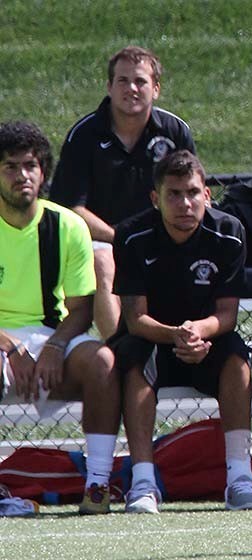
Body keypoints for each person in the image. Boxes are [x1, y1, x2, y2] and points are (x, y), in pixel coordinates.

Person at [110, 150, 252, 513]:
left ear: (207, 195)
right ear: (155, 198)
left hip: (207, 340)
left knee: (238, 357)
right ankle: (144, 483)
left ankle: (240, 478)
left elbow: (227, 314)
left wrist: (197, 332)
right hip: (153, 340)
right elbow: (135, 319)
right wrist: (177, 334)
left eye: (193, 192)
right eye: (173, 194)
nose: (184, 203)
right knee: (133, 358)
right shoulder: (132, 235)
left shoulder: (229, 231)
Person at [0, 121, 121, 515]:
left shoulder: (68, 224)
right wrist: (12, 347)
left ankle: (98, 486)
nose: (23, 176)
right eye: (11, 167)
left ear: (44, 170)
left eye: (31, 166)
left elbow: (81, 306)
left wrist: (53, 345)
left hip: (52, 336)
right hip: (2, 340)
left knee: (104, 362)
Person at [49, 46, 195, 340]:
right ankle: (120, 350)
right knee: (104, 261)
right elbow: (70, 210)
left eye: (140, 81)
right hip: (102, 241)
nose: (132, 89)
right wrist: (122, 239)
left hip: (162, 236)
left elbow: (188, 193)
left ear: (156, 89)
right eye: (123, 81)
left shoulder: (175, 131)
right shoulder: (84, 135)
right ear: (109, 87)